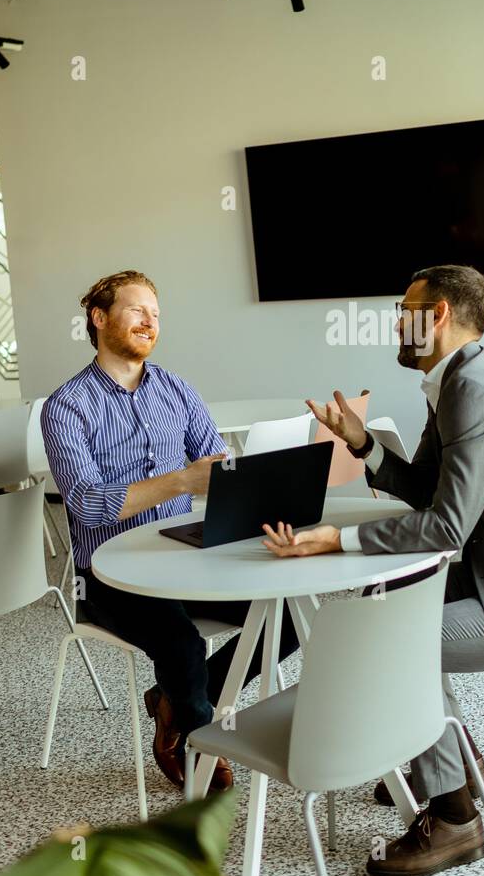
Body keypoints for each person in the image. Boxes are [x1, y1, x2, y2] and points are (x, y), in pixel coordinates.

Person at [262, 264, 484, 876]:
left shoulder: (473, 393)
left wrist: (337, 540)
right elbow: (428, 491)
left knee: (393, 647)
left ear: (440, 316)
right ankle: (447, 757)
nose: (396, 322)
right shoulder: (456, 384)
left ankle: (454, 818)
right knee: (383, 597)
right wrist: (364, 445)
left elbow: (447, 528)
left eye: (405, 309)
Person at [41, 269, 300, 791]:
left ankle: (175, 702)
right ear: (99, 318)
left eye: (155, 315)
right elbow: (89, 505)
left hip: (188, 557)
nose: (150, 322)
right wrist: (180, 479)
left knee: (285, 617)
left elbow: (219, 464)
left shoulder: (177, 389)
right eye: (137, 311)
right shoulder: (66, 406)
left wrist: (246, 488)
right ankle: (199, 739)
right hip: (110, 574)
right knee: (181, 645)